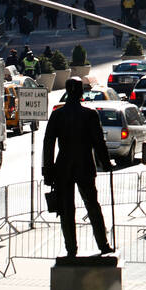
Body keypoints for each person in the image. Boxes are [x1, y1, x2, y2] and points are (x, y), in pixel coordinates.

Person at [42, 76, 114, 258]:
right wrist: (107, 164)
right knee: (93, 206)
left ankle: (71, 250)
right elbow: (99, 143)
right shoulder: (89, 115)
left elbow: (48, 144)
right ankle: (103, 245)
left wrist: (48, 171)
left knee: (67, 210)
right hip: (84, 165)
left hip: (63, 167)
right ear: (81, 92)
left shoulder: (58, 115)